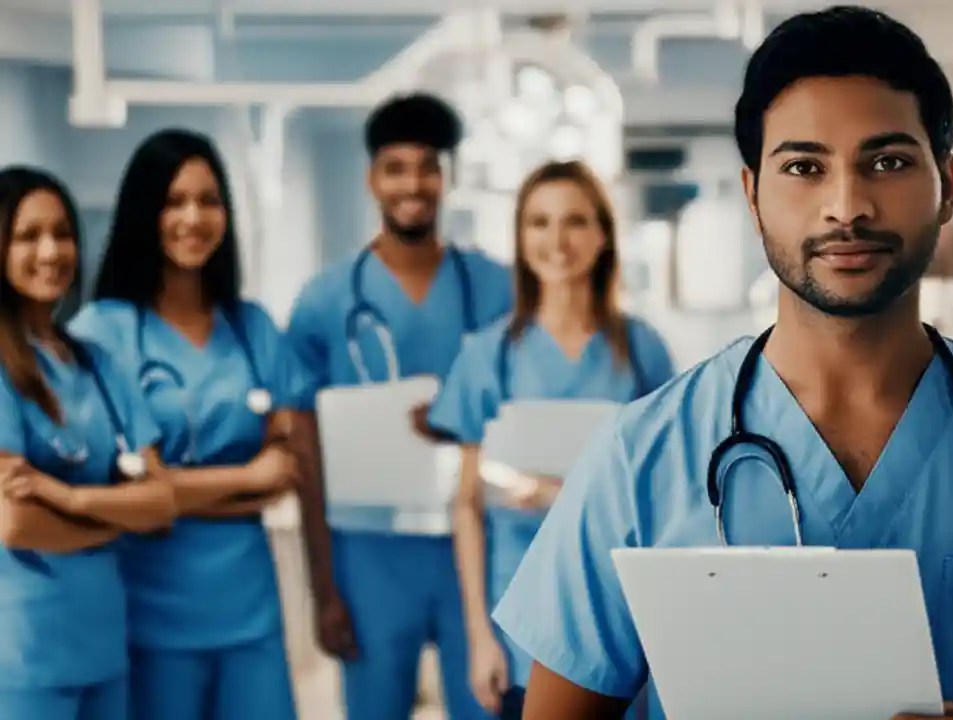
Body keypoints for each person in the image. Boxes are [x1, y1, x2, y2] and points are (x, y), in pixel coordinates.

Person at [490, 7, 953, 720]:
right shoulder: (641, 457)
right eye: (804, 167)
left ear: (946, 185)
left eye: (887, 162)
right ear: (753, 196)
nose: (847, 205)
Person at [285, 92, 514, 720]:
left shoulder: (497, 289)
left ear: (446, 177)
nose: (413, 183)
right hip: (369, 560)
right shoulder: (325, 302)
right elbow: (306, 457)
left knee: (486, 706)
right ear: (372, 178)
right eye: (396, 167)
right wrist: (323, 589)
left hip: (478, 551)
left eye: (427, 166)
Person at [68, 129, 308, 720]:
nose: (193, 218)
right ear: (144, 212)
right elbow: (114, 494)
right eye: (174, 202)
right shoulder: (104, 333)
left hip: (250, 610)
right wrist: (246, 480)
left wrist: (169, 493)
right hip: (148, 613)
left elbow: (288, 471)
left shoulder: (252, 328)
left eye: (208, 200)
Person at [428, 160, 675, 718]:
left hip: (620, 612)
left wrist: (556, 493)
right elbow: (468, 506)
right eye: (539, 223)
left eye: (575, 222)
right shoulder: (487, 356)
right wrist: (478, 636)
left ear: (602, 234)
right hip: (517, 618)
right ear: (519, 236)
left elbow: (666, 495)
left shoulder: (642, 352)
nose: (557, 241)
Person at [0, 166, 176, 719]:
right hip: (24, 654)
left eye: (62, 233)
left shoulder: (97, 364)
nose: (51, 252)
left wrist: (70, 498)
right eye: (28, 236)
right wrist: (119, 517)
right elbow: (15, 522)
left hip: (102, 645)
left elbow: (164, 502)